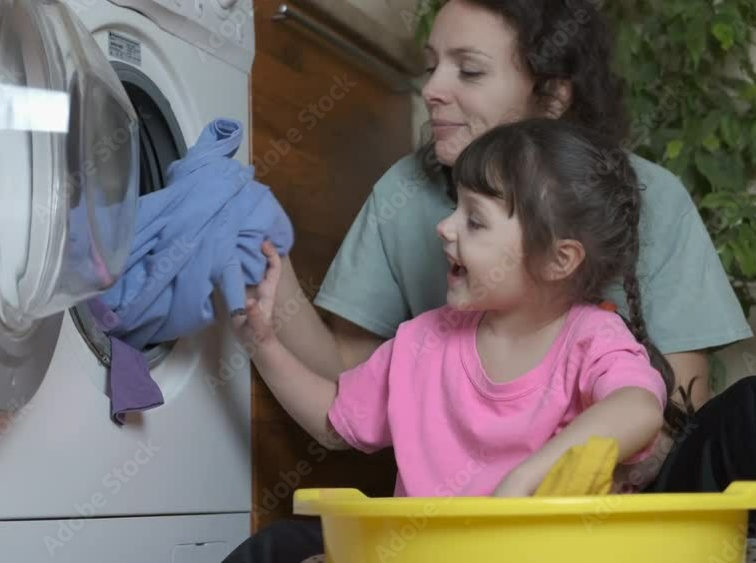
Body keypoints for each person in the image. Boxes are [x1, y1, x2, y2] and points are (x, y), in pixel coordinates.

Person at [224, 1, 756, 562]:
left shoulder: (638, 221)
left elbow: (659, 410)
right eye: (432, 64)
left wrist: (544, 483)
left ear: (552, 95)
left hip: (610, 503)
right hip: (450, 524)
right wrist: (269, 321)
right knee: (286, 544)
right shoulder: (414, 259)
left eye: (468, 70)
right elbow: (348, 396)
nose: (433, 90)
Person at [235, 116, 678, 549]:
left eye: (475, 220)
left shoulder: (593, 338)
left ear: (558, 260)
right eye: (455, 208)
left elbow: (638, 407)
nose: (444, 227)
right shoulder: (422, 341)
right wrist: (262, 344)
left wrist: (523, 481)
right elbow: (336, 422)